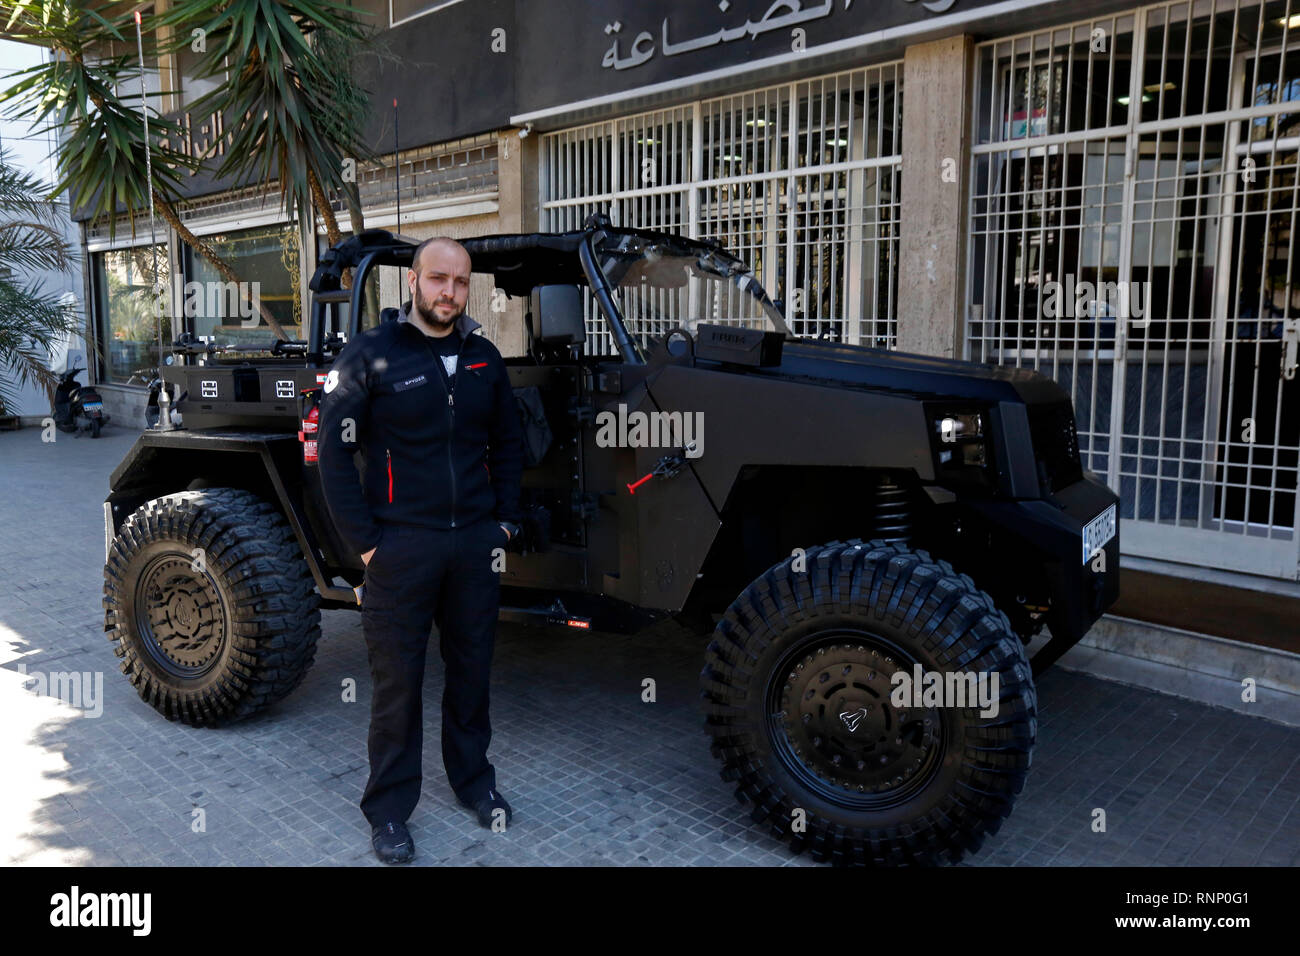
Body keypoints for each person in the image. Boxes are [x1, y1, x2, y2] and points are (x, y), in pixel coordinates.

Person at [317, 236, 524, 864]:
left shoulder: (486, 358)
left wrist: (505, 525)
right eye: (439, 279)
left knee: (470, 677)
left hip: (474, 550)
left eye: (461, 283)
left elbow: (510, 444)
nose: (450, 293)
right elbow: (333, 452)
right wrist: (369, 548)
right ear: (413, 281)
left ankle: (473, 783)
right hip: (400, 549)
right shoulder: (371, 355)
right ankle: (388, 811)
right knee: (397, 686)